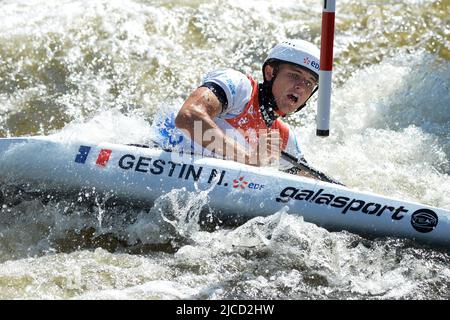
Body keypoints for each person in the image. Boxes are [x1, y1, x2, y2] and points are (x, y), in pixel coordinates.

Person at [154, 39, 320, 177]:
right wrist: (247, 158)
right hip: (158, 157)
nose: (301, 87)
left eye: (309, 82)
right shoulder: (240, 88)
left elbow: (309, 184)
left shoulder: (283, 138)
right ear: (270, 73)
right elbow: (188, 116)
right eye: (294, 75)